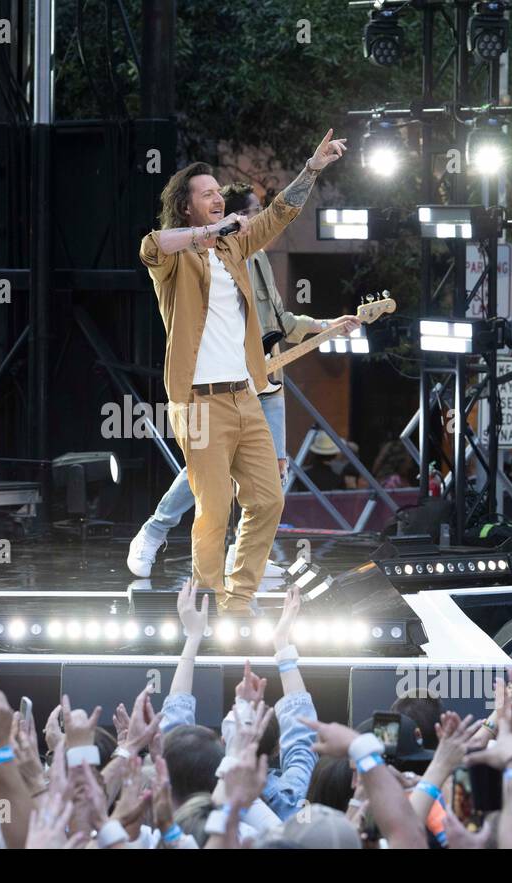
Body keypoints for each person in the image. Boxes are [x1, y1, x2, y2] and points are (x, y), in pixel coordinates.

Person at [134, 131, 347, 614]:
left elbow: (278, 214)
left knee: (268, 500)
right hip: (200, 401)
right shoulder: (173, 258)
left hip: (246, 395)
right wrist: (207, 235)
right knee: (213, 509)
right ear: (186, 206)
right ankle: (207, 603)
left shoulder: (235, 249)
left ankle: (239, 598)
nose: (217, 198)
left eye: (218, 192)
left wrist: (312, 168)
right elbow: (151, 243)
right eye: (206, 193)